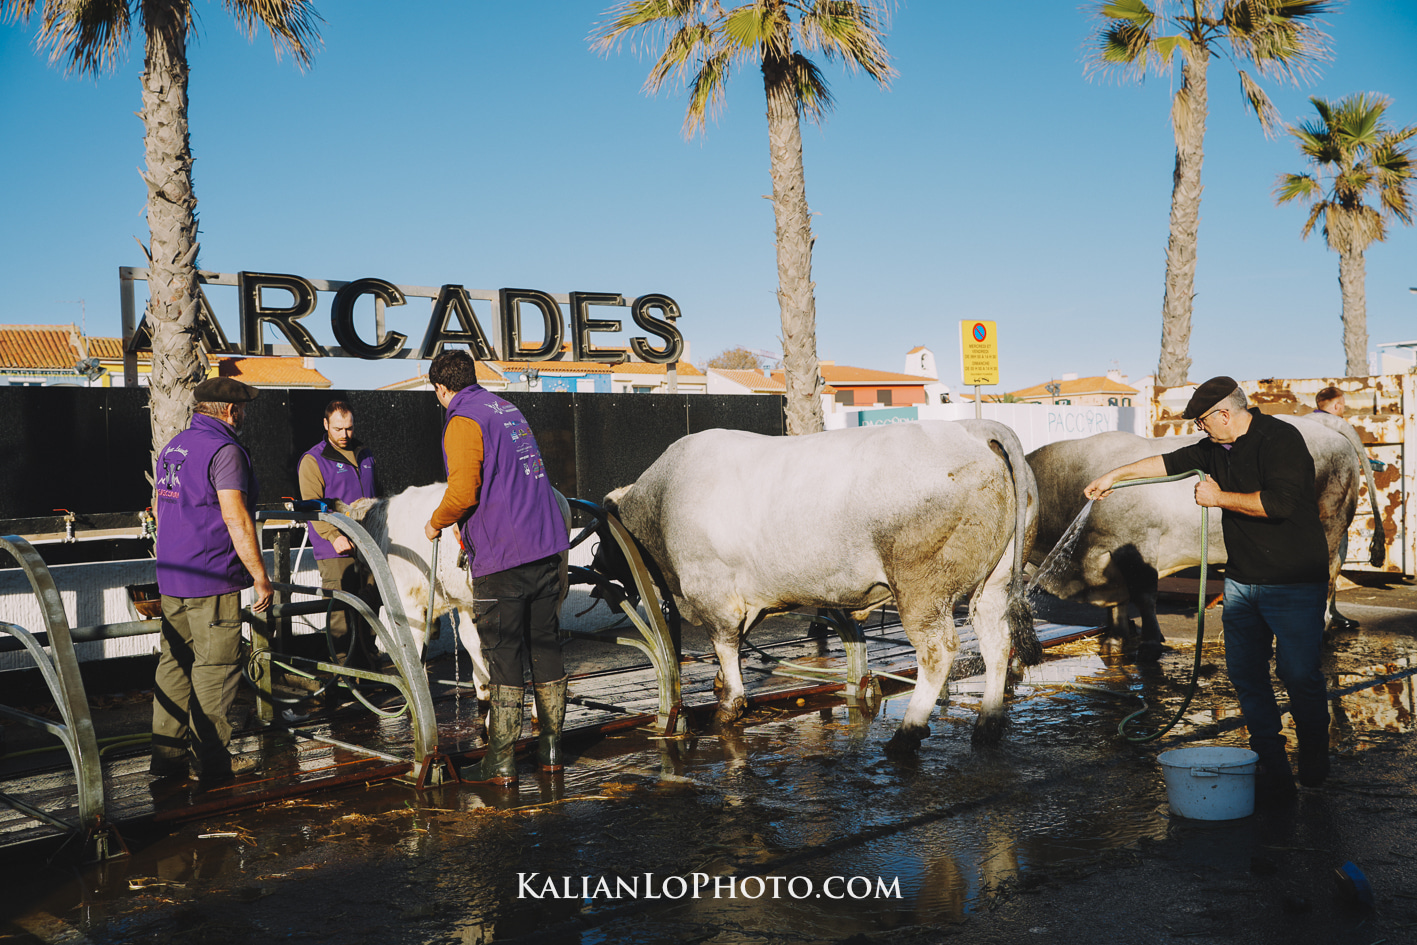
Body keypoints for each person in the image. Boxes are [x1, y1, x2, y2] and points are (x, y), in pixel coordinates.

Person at [1084, 377, 1331, 798]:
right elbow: (1166, 463)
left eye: (1202, 421)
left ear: (1225, 414)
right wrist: (1113, 477)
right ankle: (1272, 764)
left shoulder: (1280, 439)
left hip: (1293, 580)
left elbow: (1280, 504)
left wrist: (1219, 498)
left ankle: (1314, 750)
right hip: (1242, 581)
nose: (1200, 428)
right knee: (1246, 674)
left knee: (1297, 672)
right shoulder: (1216, 448)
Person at [423, 349, 570, 785]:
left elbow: (463, 492)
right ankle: (551, 750)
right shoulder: (506, 409)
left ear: (441, 388)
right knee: (545, 646)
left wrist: (435, 522)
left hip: (504, 557)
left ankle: (502, 761)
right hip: (545, 546)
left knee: (504, 655)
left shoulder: (463, 419)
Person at [150, 377, 273, 784]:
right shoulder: (225, 450)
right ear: (231, 411)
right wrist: (260, 576)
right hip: (211, 577)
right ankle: (211, 763)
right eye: (243, 410)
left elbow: (159, 507)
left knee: (175, 662)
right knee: (216, 666)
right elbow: (235, 517)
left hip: (173, 575)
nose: (244, 415)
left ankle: (167, 758)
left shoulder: (175, 446)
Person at [298, 400, 381, 674]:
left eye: (349, 428)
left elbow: (377, 495)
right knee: (341, 613)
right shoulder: (313, 460)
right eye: (338, 429)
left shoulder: (365, 454)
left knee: (370, 605)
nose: (344, 434)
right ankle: (343, 674)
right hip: (336, 549)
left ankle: (369, 670)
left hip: (367, 545)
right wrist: (334, 536)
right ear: (326, 425)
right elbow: (312, 506)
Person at [1314, 385, 1358, 631]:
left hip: (1308, 506)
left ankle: (1327, 608)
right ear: (1338, 405)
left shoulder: (1306, 425)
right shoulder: (1337, 429)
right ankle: (1327, 610)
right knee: (1334, 555)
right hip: (1332, 505)